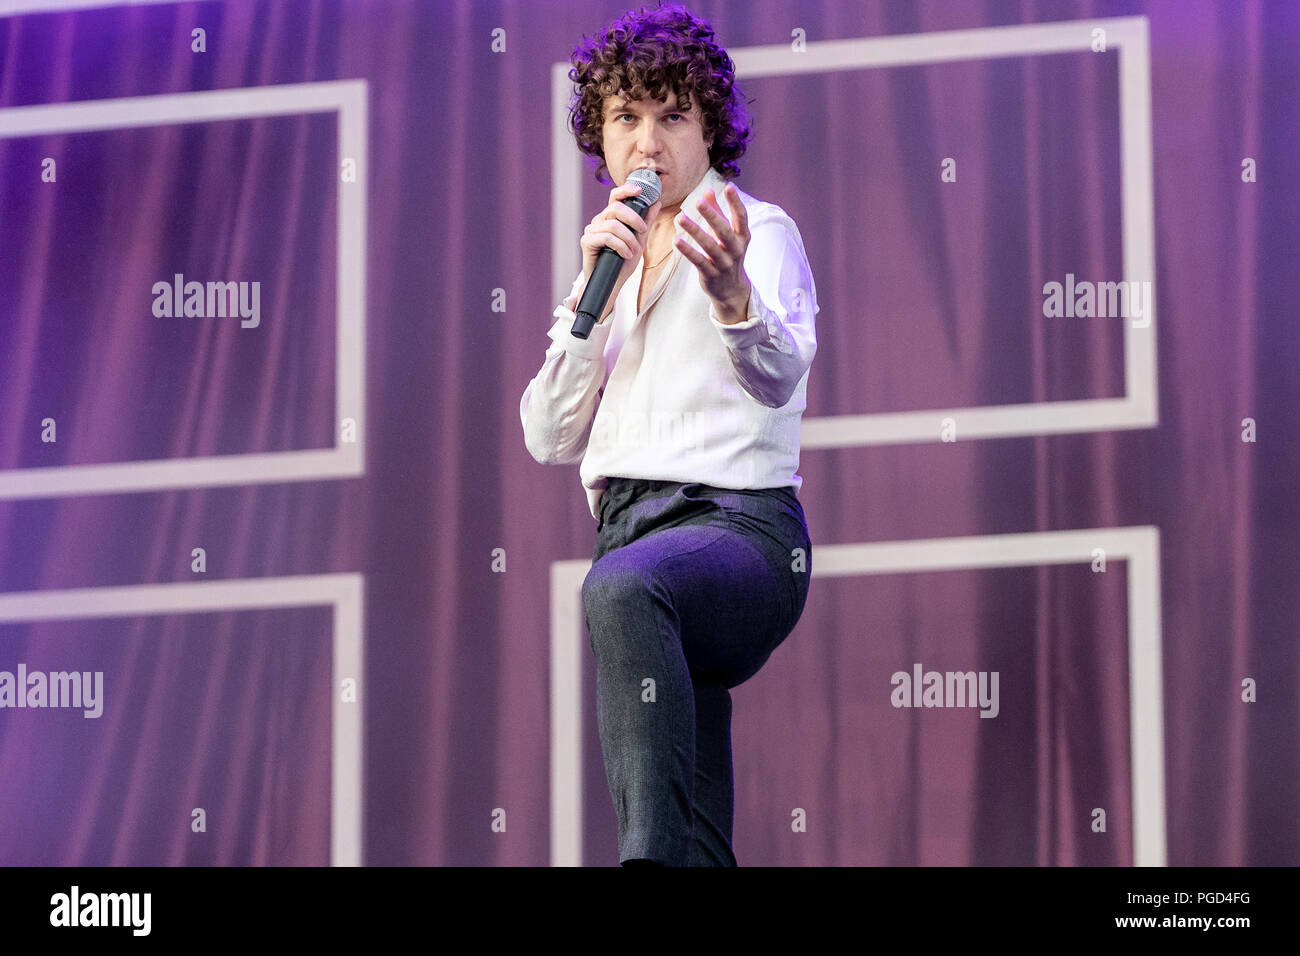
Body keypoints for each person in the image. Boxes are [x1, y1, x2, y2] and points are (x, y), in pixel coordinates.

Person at [519, 1, 819, 866]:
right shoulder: (605, 264)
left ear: (709, 131)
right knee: (701, 829)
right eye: (626, 118)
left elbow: (777, 373)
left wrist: (730, 298)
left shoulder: (755, 232)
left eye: (671, 116)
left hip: (740, 537)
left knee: (619, 591)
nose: (647, 143)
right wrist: (591, 306)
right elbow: (547, 435)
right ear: (602, 140)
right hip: (633, 540)